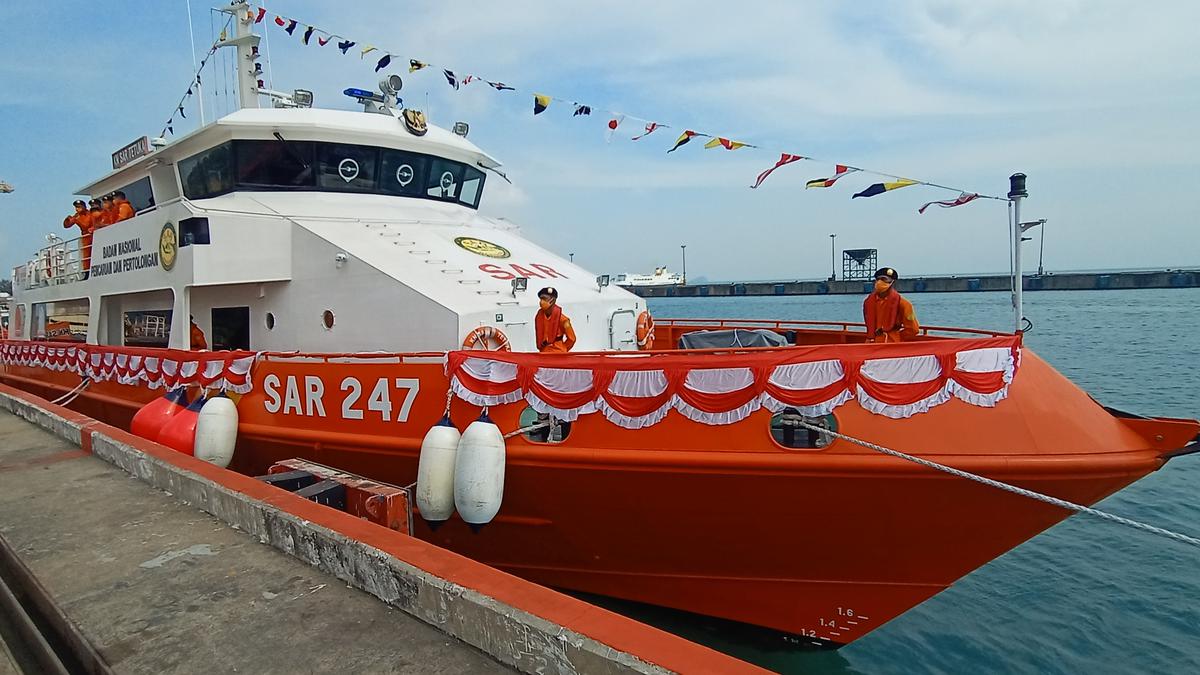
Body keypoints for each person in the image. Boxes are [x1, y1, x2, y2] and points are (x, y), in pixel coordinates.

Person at [863, 267, 919, 343]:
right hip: (871, 344)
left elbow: (913, 329)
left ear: (893, 282)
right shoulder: (868, 302)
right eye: (877, 279)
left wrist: (897, 337)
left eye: (884, 279)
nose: (879, 282)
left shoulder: (904, 304)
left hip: (891, 345)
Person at [534, 287, 576, 353]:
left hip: (558, 352)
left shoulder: (563, 319)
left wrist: (563, 349)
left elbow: (572, 339)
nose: (541, 302)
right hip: (544, 352)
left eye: (544, 299)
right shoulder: (540, 316)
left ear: (552, 300)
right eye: (541, 299)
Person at [62, 200, 95, 276]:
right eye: (76, 207)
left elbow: (86, 225)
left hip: (92, 235)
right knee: (86, 255)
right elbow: (67, 225)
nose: (77, 209)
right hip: (85, 236)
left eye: (79, 207)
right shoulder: (77, 215)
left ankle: (91, 270)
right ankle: (87, 272)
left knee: (92, 253)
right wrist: (66, 220)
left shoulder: (90, 214)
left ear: (84, 207)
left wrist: (77, 221)